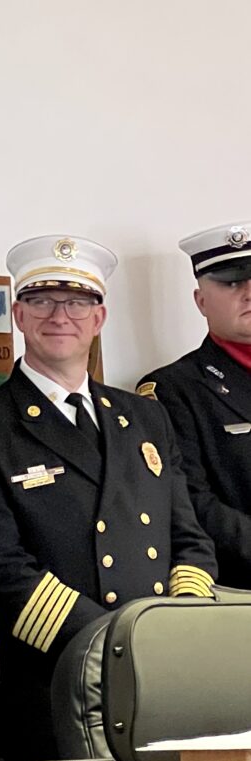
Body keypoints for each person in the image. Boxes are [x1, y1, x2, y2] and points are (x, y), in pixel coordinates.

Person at [0, 234, 217, 761]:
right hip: (58, 682)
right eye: (43, 302)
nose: (60, 317)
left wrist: (173, 630)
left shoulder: (144, 417)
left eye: (77, 304)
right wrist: (114, 642)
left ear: (100, 317)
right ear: (17, 314)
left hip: (161, 680)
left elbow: (189, 536)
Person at [137, 221, 251, 590]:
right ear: (201, 301)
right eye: (231, 282)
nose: (248, 292)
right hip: (238, 590)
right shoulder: (173, 390)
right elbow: (189, 500)